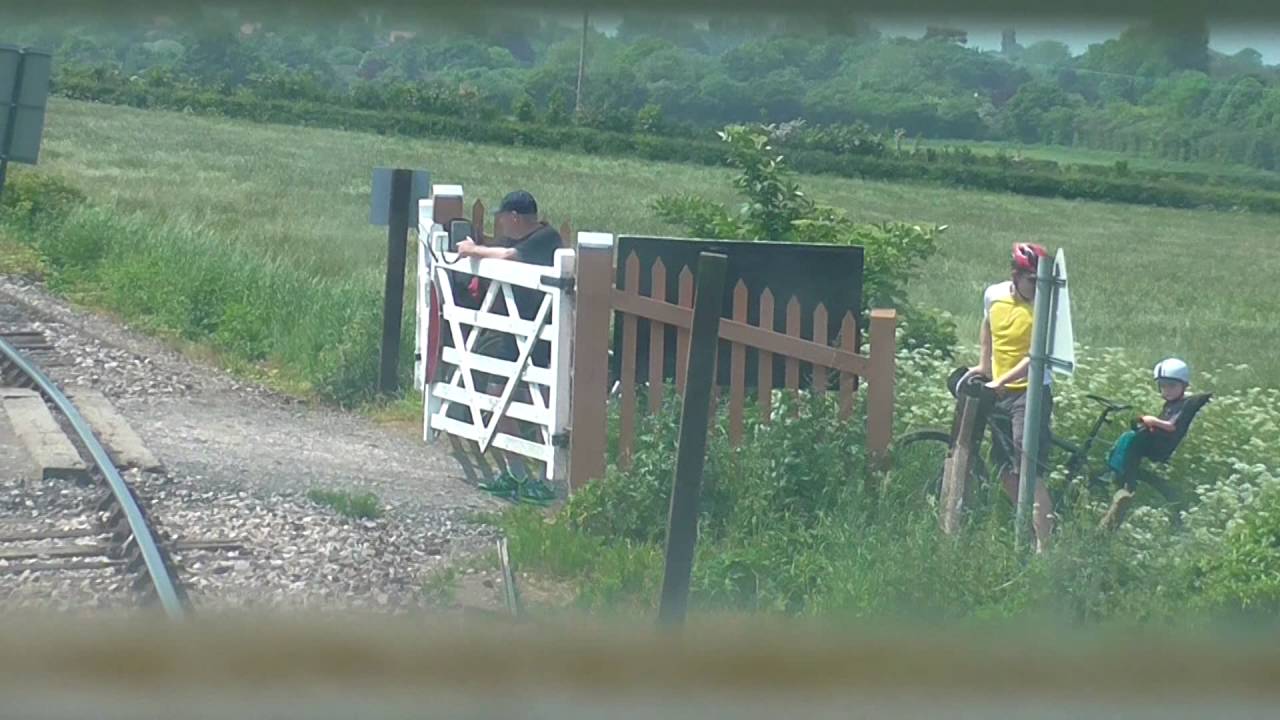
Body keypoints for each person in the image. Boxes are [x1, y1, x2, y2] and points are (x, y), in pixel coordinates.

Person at [454, 190, 562, 490]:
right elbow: (499, 252)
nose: (499, 222)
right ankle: (517, 473)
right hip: (514, 331)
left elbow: (509, 258)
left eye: (502, 217)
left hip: (541, 333)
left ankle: (546, 478)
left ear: (514, 217)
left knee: (541, 403)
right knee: (496, 395)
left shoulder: (546, 238)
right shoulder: (513, 239)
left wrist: (473, 250)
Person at [969, 242, 1055, 551]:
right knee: (1004, 466)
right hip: (1000, 390)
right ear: (1015, 275)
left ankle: (1045, 547)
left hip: (1031, 391)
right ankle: (1027, 529)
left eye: (1040, 281)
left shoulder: (1045, 306)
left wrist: (1001, 381)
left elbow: (1035, 357)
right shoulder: (994, 295)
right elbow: (987, 327)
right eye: (1032, 280)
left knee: (1028, 465)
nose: (1037, 287)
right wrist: (984, 365)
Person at [1101, 358, 1193, 527]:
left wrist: (1151, 420)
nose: (1167, 390)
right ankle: (1121, 474)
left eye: (1172, 386)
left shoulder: (1183, 405)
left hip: (1160, 445)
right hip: (1156, 438)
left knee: (1133, 442)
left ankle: (1127, 485)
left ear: (1184, 385)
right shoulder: (1172, 404)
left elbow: (1171, 426)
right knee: (1128, 439)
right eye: (1163, 386)